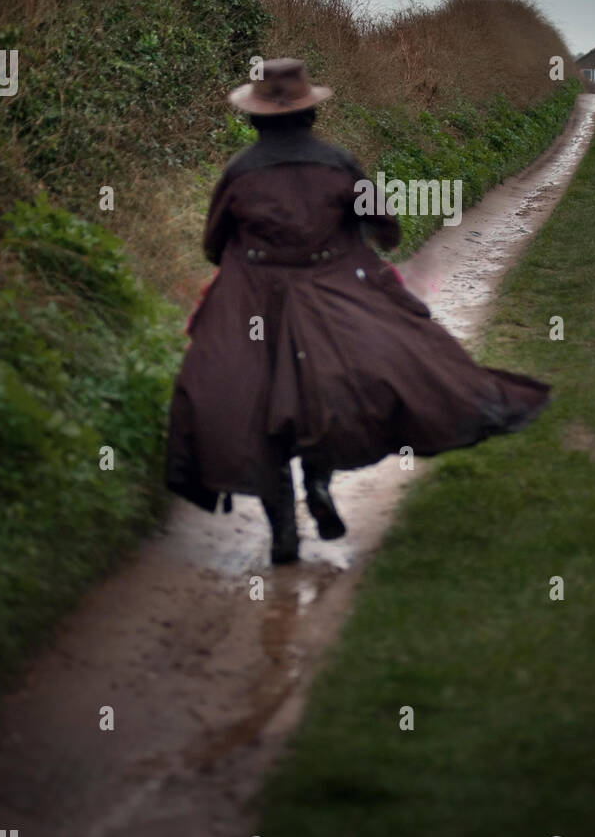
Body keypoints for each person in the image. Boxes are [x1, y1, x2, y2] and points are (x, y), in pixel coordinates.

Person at [165, 58, 550, 563]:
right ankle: (319, 486)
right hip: (334, 289)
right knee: (334, 389)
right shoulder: (339, 164)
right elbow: (386, 227)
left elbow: (213, 246)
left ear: (255, 118)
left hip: (253, 298)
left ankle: (282, 529)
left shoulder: (239, 171)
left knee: (257, 405)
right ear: (309, 116)